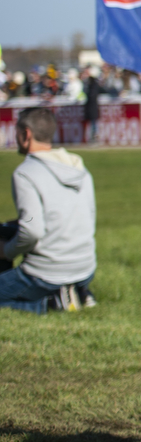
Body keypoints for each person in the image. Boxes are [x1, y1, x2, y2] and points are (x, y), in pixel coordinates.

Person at [0, 107, 97, 314]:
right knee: (4, 229)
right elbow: (89, 215)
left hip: (47, 272)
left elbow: (32, 229)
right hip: (85, 266)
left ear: (26, 133)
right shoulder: (78, 167)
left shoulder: (26, 173)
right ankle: (78, 291)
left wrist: (6, 250)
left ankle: (52, 303)